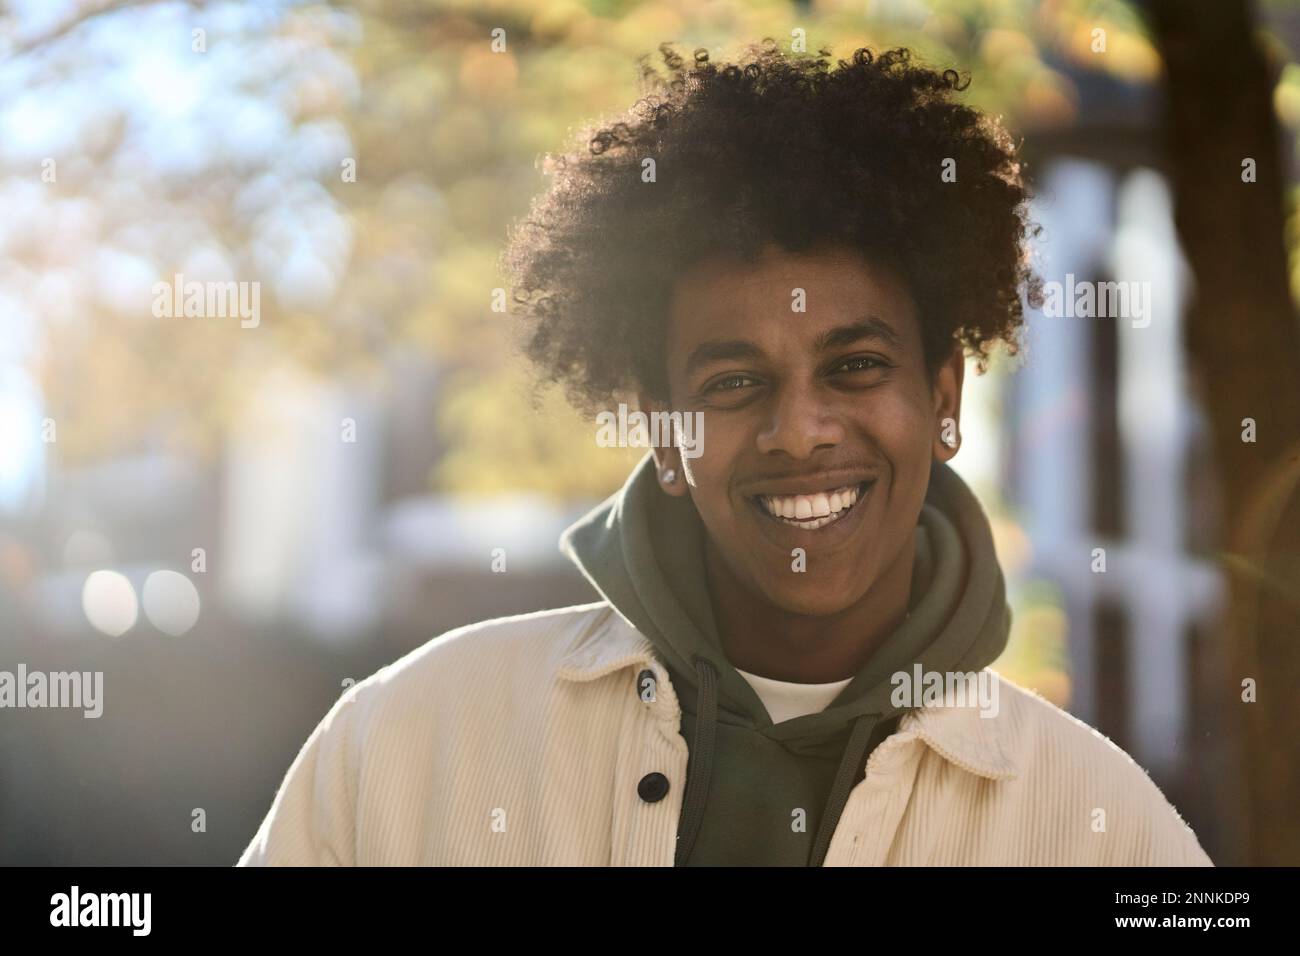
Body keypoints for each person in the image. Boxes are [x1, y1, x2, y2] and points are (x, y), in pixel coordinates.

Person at [238, 41, 1212, 866]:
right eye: (733, 382)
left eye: (857, 364)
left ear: (944, 400)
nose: (799, 430)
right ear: (663, 433)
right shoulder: (407, 743)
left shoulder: (1104, 830)